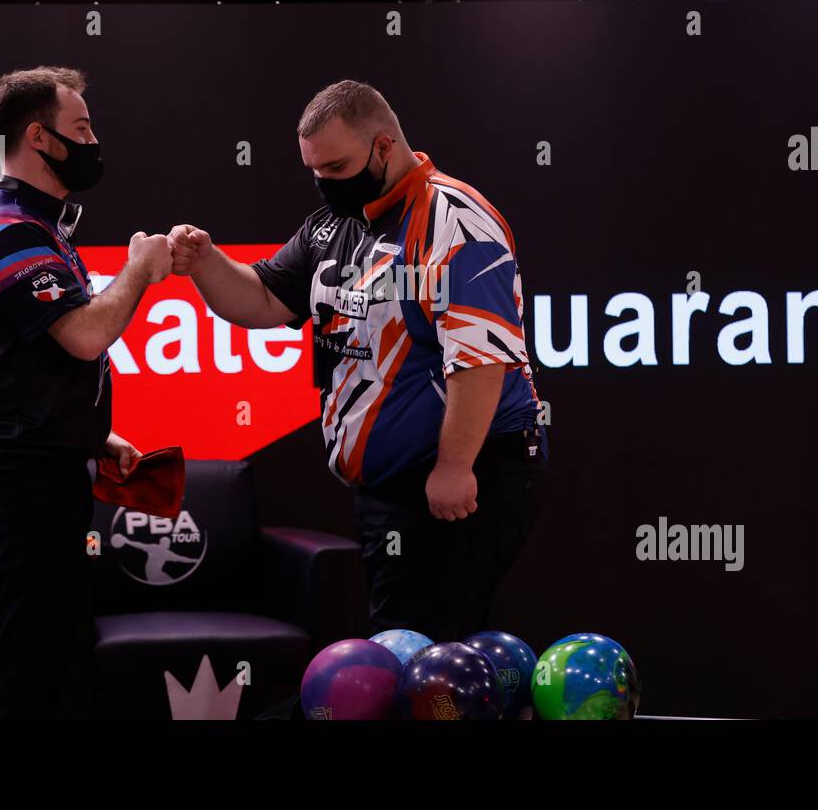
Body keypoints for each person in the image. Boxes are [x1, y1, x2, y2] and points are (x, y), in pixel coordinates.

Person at [168, 79, 548, 642]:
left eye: (337, 167)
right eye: (314, 170)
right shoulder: (334, 224)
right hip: (390, 485)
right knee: (406, 642)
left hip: (464, 470)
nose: (325, 183)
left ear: (384, 147)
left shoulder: (456, 222)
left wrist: (454, 467)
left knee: (421, 654)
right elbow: (265, 300)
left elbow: (480, 359)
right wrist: (204, 263)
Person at [0, 66, 172, 717]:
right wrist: (140, 270)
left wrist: (93, 434)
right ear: (40, 138)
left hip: (45, 464)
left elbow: (35, 358)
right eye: (82, 128)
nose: (95, 140)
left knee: (52, 657)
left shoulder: (39, 223)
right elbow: (84, 335)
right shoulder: (4, 228)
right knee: (20, 660)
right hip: (13, 478)